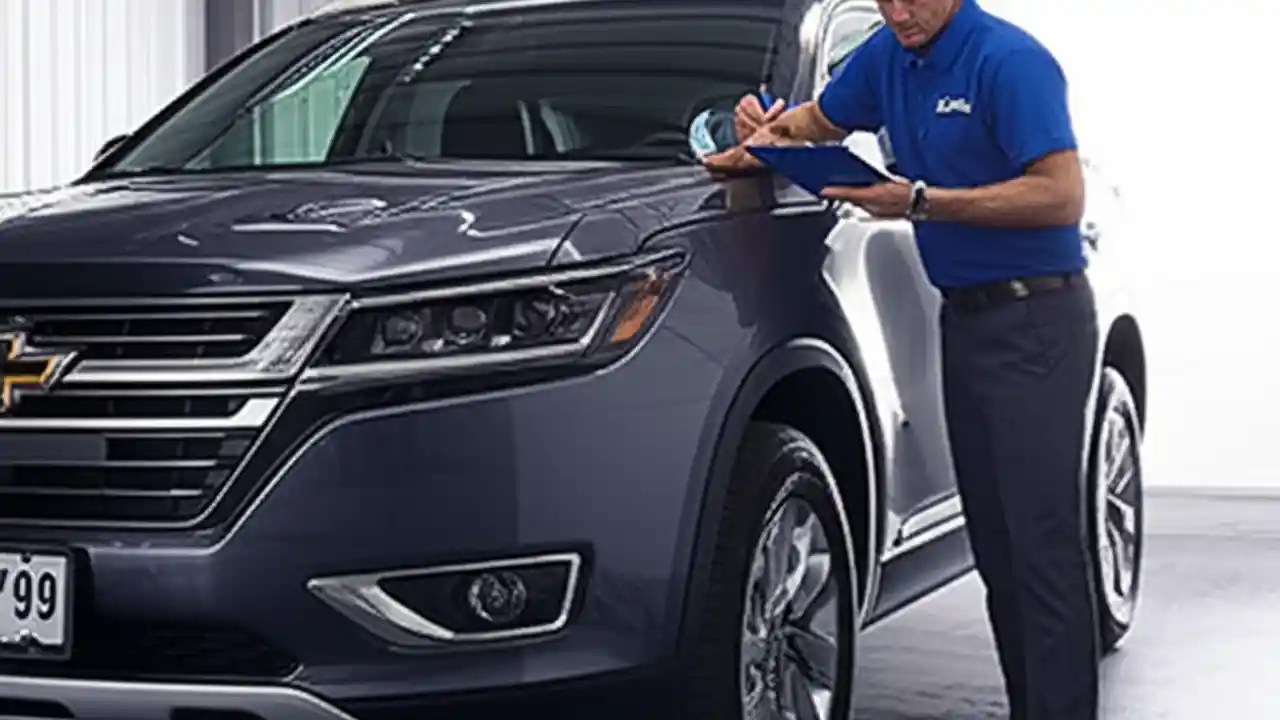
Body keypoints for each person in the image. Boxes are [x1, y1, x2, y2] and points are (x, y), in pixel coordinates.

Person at [703, 1, 1101, 719]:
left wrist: (918, 201)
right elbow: (815, 121)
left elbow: (1060, 193)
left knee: (1042, 553)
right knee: (1001, 554)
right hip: (967, 322)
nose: (897, 10)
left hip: (1036, 321)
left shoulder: (1007, 61)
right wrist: (766, 135)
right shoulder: (889, 57)